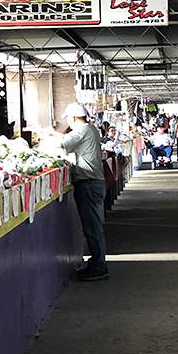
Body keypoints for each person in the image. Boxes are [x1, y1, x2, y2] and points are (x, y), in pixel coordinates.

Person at [50, 103, 108, 282]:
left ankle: (99, 266)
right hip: (92, 183)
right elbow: (67, 139)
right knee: (92, 226)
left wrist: (48, 135)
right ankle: (97, 263)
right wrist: (54, 133)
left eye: (68, 118)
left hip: (89, 184)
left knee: (92, 227)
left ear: (73, 118)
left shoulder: (84, 130)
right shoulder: (89, 130)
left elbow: (62, 143)